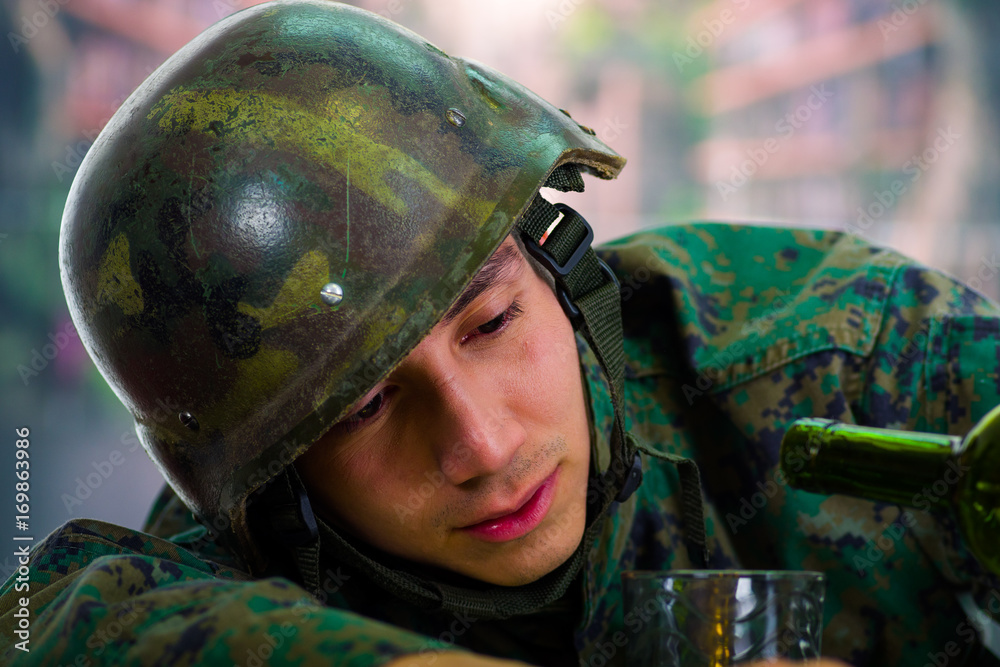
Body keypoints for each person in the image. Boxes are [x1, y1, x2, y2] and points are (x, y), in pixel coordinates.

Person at [1, 1, 997, 665]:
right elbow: (49, 619)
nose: (482, 443)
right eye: (364, 408)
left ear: (558, 263)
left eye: (492, 321)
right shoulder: (264, 542)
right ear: (271, 476)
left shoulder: (828, 350)